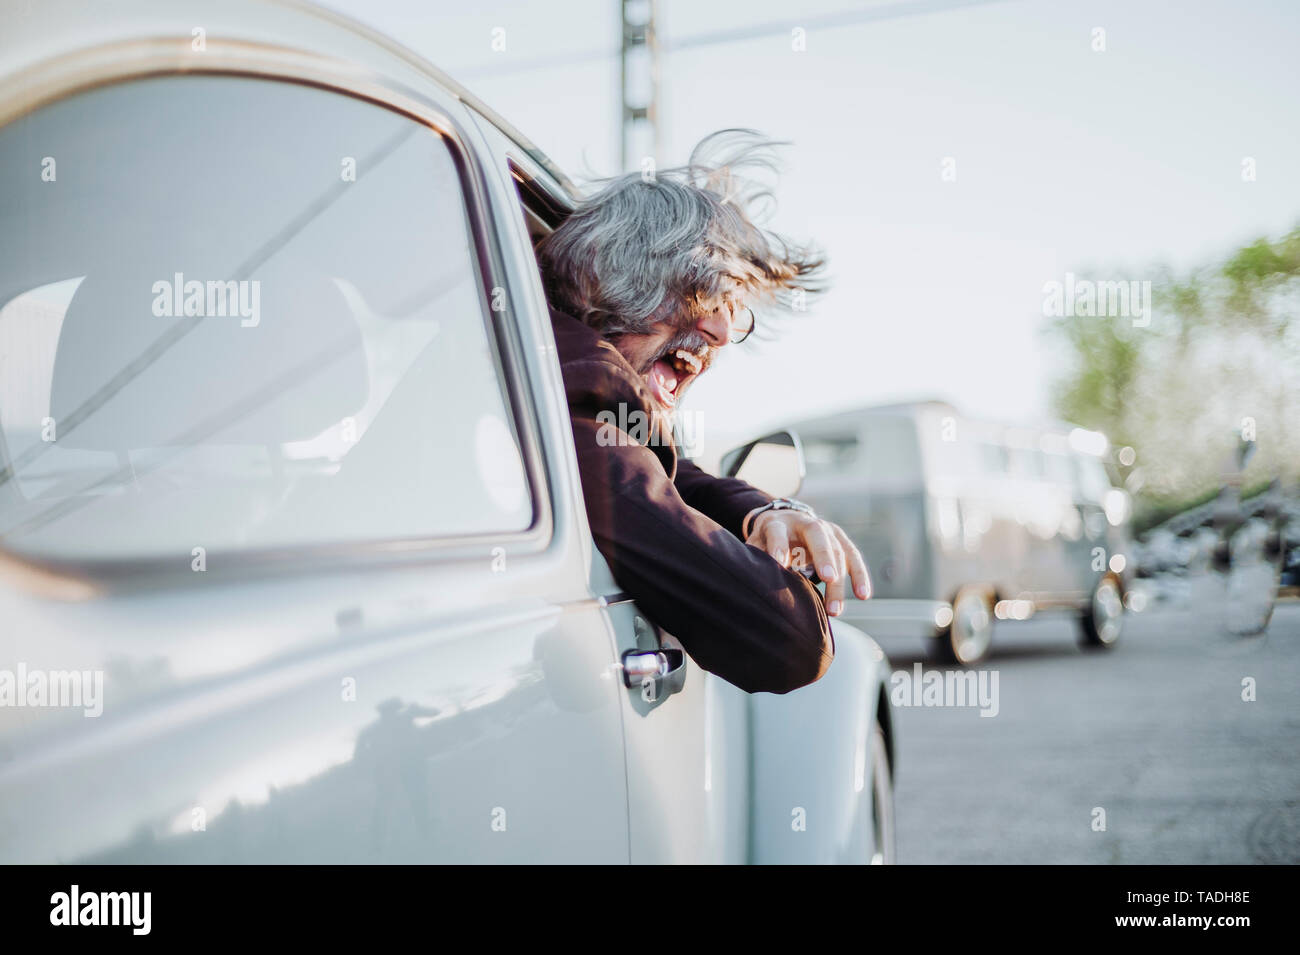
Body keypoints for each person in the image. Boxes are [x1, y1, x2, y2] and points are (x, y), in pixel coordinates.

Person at [536, 130, 870, 694]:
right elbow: (791, 643)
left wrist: (760, 515)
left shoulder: (560, 388)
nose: (718, 331)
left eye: (731, 311)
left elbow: (671, 476)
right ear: (603, 277)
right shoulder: (574, 419)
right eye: (700, 293)